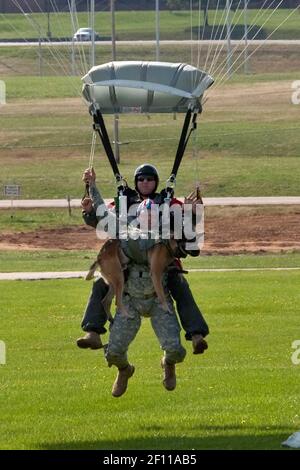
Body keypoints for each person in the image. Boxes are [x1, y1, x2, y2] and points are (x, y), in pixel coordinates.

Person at [77, 164, 209, 355]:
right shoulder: (122, 202)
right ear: (136, 182)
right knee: (101, 283)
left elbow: (186, 232)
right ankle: (93, 332)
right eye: (141, 179)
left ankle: (196, 335)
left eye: (149, 179)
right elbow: (103, 220)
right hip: (127, 264)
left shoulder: (170, 203)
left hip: (162, 263)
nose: (145, 182)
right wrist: (89, 210)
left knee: (179, 284)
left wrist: (193, 213)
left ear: (155, 182)